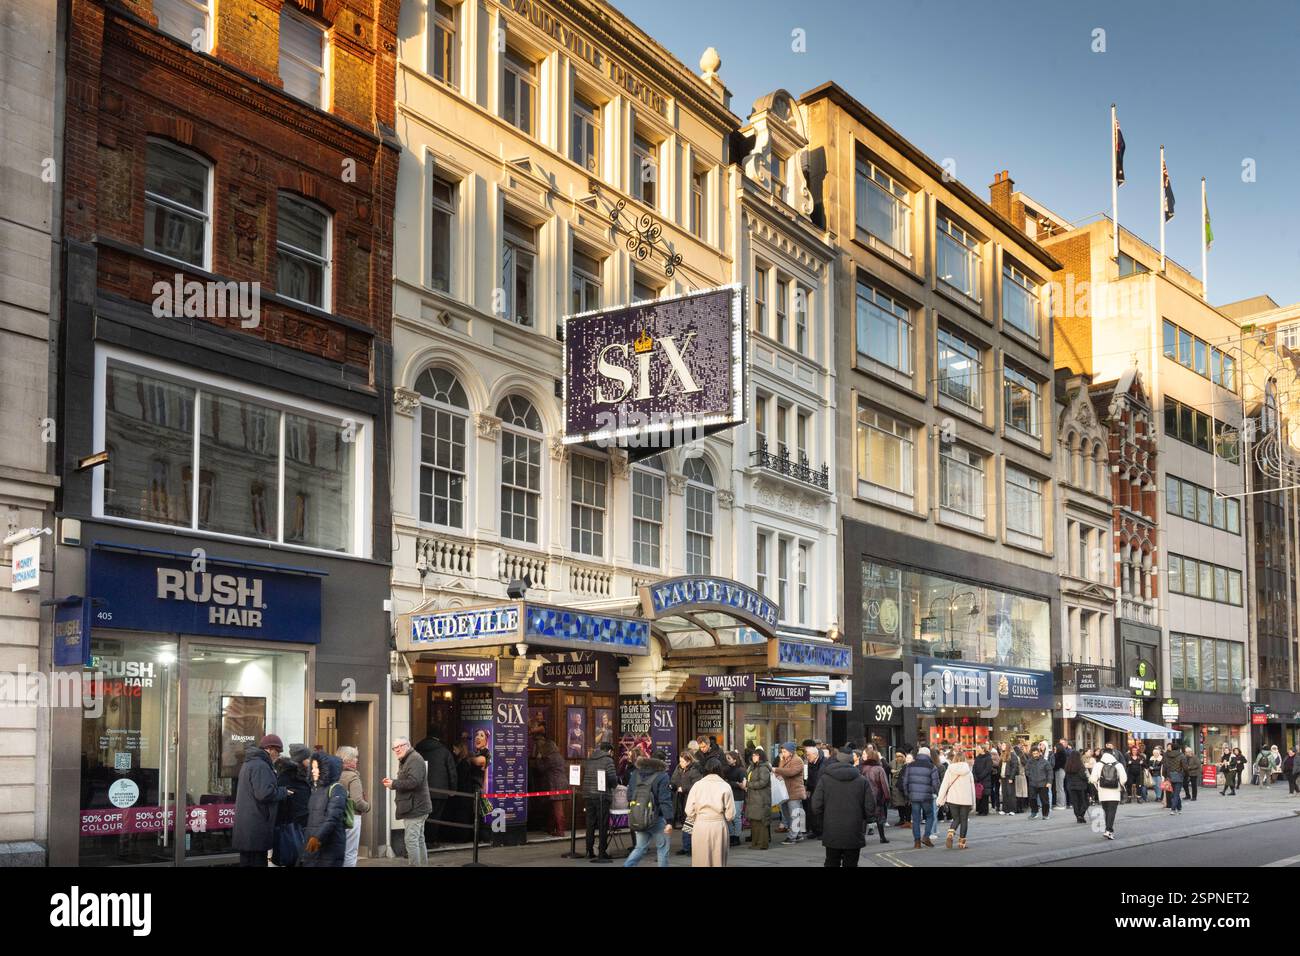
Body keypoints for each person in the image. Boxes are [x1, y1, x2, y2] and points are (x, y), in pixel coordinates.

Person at [233, 734, 290, 867]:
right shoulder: (261, 766)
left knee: (247, 861)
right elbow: (264, 794)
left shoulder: (250, 763)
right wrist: (283, 792)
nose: (278, 755)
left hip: (249, 825)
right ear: (269, 749)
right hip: (256, 825)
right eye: (277, 751)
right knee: (256, 861)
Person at [812, 749, 876, 867]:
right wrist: (867, 818)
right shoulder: (862, 780)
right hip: (854, 828)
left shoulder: (825, 779)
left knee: (831, 861)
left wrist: (823, 818)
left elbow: (816, 806)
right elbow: (870, 807)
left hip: (832, 827)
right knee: (851, 862)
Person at [383, 736, 431, 866]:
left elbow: (414, 782)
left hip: (415, 807)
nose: (397, 749)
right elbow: (410, 780)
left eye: (400, 746)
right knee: (419, 839)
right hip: (415, 806)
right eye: (395, 747)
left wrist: (394, 784)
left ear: (408, 745)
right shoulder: (408, 759)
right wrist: (393, 782)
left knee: (411, 840)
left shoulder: (414, 759)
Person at [623, 749, 674, 868]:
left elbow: (630, 795)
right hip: (657, 817)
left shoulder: (636, 773)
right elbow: (664, 800)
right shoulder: (663, 776)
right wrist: (670, 821)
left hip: (639, 816)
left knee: (639, 848)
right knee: (662, 848)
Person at [684, 759, 735, 867]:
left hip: (700, 825)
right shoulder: (725, 786)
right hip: (718, 825)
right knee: (718, 859)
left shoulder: (697, 785)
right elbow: (730, 815)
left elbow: (688, 810)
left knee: (700, 859)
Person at [303, 752, 348, 867]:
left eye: (316, 768)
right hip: (314, 843)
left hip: (329, 843)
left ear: (327, 769)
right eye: (312, 768)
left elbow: (332, 817)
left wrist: (317, 837)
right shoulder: (316, 790)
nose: (313, 771)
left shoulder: (337, 789)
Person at [414, 729, 458, 847]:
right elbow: (452, 772)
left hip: (421, 789)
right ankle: (431, 841)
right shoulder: (444, 751)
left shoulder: (418, 748)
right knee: (435, 816)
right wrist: (453, 789)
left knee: (422, 816)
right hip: (440, 791)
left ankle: (421, 841)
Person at [271, 742, 311, 867]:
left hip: (303, 823)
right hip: (293, 825)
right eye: (307, 758)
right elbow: (282, 802)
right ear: (301, 759)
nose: (310, 761)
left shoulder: (305, 774)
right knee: (295, 857)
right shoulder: (287, 776)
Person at [582, 740, 617, 861]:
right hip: (602, 796)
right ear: (609, 751)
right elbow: (612, 779)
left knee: (590, 823)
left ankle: (589, 850)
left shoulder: (590, 759)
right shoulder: (608, 760)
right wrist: (615, 785)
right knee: (603, 824)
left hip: (588, 794)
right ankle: (602, 851)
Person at [336, 745, 370, 867]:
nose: (357, 760)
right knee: (350, 852)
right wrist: (368, 807)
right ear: (348, 759)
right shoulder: (352, 776)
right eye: (355, 757)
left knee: (338, 851)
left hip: (335, 816)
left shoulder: (333, 774)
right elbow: (358, 802)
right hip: (351, 817)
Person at [935, 748, 975, 849]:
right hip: (965, 799)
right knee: (964, 820)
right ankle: (962, 843)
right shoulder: (968, 771)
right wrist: (973, 802)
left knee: (956, 818)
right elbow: (972, 788)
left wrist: (940, 799)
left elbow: (944, 785)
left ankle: (950, 833)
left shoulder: (950, 770)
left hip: (953, 799)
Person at [901, 746, 940, 848]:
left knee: (916, 819)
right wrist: (939, 794)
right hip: (926, 796)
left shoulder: (910, 766)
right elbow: (936, 784)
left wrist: (907, 794)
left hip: (913, 796)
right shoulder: (932, 767)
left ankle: (917, 842)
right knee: (930, 816)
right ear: (928, 755)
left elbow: (904, 782)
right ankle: (926, 836)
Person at [1089, 746, 1128, 840]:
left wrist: (1097, 786)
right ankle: (1109, 830)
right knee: (1112, 811)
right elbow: (1124, 779)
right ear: (1113, 754)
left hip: (1103, 791)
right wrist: (1121, 785)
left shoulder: (1098, 764)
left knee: (1106, 811)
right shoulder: (1118, 765)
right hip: (1115, 791)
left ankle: (1108, 829)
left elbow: (1093, 779)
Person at [773, 742, 807, 844]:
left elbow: (791, 772)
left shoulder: (797, 760)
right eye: (782, 751)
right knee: (788, 814)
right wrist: (778, 772)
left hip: (794, 792)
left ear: (791, 751)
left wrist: (776, 769)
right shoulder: (784, 759)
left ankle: (792, 837)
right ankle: (798, 835)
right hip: (785, 792)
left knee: (795, 814)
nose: (782, 753)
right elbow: (782, 772)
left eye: (784, 751)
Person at [670, 750, 701, 855]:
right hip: (680, 800)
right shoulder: (678, 768)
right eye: (680, 761)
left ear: (688, 761)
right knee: (685, 825)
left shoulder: (694, 770)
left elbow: (697, 786)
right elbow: (674, 780)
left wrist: (684, 788)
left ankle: (690, 847)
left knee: (689, 825)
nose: (681, 763)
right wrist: (672, 786)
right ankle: (686, 847)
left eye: (683, 761)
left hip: (690, 801)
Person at [859, 748, 890, 844]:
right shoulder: (879, 769)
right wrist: (887, 797)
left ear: (869, 755)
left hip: (863, 796)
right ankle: (882, 837)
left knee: (863, 818)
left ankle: (862, 839)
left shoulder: (861, 768)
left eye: (864, 754)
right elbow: (884, 784)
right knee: (879, 818)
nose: (862, 755)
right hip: (877, 797)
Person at [745, 748, 773, 850]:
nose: (753, 757)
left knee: (761, 822)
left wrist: (748, 784)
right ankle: (755, 843)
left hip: (761, 798)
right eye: (753, 756)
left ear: (760, 757)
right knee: (754, 822)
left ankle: (762, 844)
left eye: (755, 755)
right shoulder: (753, 767)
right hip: (754, 798)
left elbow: (763, 782)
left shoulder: (763, 768)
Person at [801, 739, 827, 839]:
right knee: (811, 810)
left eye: (808, 755)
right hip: (813, 789)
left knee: (819, 811)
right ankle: (815, 830)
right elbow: (810, 777)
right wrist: (808, 787)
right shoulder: (811, 762)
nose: (807, 757)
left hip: (820, 790)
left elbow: (820, 778)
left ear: (814, 755)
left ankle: (822, 832)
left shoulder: (823, 763)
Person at [723, 751, 747, 847]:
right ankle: (732, 835)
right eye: (726, 758)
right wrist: (735, 783)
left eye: (729, 758)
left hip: (737, 796)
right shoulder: (727, 770)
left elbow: (743, 785)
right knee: (728, 817)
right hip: (729, 796)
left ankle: (736, 837)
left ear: (735, 759)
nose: (727, 760)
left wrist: (731, 783)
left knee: (736, 817)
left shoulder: (741, 770)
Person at [1025, 745, 1052, 820]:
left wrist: (1049, 782)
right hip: (1033, 783)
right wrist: (1030, 775)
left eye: (1036, 753)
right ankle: (1034, 813)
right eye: (1034, 754)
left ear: (1039, 753)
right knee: (1032, 799)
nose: (1035, 755)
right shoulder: (1029, 762)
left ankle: (1045, 814)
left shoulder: (1045, 762)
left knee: (1045, 800)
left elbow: (1050, 772)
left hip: (1043, 784)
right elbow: (1026, 770)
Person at [1065, 751, 1089, 823]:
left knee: (1075, 802)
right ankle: (1081, 815)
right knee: (1084, 801)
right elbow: (1083, 776)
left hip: (1071, 786)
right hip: (1081, 786)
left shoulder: (1068, 766)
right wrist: (1087, 779)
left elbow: (1066, 777)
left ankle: (1078, 816)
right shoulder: (1080, 765)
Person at [1163, 743, 1187, 815]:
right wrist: (1185, 775)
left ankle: (1179, 808)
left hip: (1170, 776)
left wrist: (1165, 775)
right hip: (1178, 776)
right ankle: (1173, 809)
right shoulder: (1181, 756)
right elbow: (1185, 767)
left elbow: (1165, 766)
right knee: (1176, 793)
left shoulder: (1167, 756)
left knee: (1175, 793)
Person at [890, 751, 911, 827]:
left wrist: (896, 772)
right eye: (897, 756)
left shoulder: (907, 764)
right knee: (899, 804)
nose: (899, 757)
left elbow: (894, 772)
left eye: (900, 756)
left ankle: (907, 820)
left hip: (905, 786)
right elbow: (891, 771)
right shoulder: (893, 762)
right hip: (897, 785)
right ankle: (902, 819)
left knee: (907, 804)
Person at [972, 744, 993, 816]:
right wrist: (975, 776)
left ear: (983, 749)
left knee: (984, 795)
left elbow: (988, 769)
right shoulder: (977, 757)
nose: (977, 749)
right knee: (978, 795)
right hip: (978, 779)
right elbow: (974, 768)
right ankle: (979, 810)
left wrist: (980, 776)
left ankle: (984, 810)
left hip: (985, 779)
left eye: (979, 748)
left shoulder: (988, 758)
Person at [1053, 739, 1070, 810]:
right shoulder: (1063, 754)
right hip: (1061, 771)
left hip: (1060, 771)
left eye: (1055, 749)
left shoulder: (1059, 755)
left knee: (1059, 788)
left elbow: (1057, 764)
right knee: (1060, 788)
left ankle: (1061, 804)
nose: (1054, 750)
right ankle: (1061, 804)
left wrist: (1053, 768)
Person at [988, 744, 1002, 813]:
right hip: (992, 774)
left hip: (995, 774)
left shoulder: (994, 753)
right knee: (993, 790)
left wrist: (991, 762)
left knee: (995, 790)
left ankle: (996, 805)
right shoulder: (989, 754)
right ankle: (995, 805)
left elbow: (998, 764)